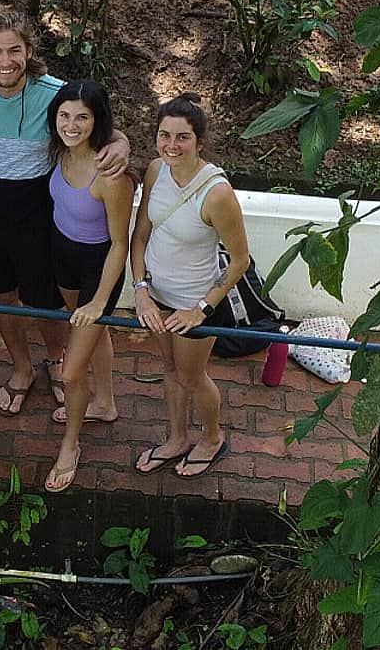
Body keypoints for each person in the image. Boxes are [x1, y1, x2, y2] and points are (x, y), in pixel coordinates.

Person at [0, 8, 130, 416]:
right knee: (2, 294)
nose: (5, 61)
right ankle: (20, 368)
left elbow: (95, 121)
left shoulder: (53, 91)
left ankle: (55, 361)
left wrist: (121, 143)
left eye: (14, 50)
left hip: (39, 204)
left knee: (45, 297)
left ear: (29, 50)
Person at [130, 94, 250, 478]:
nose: (172, 145)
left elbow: (240, 261)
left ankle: (212, 438)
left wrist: (201, 308)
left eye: (182, 137)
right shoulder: (154, 171)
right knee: (169, 367)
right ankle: (177, 437)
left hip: (193, 303)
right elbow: (141, 235)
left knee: (191, 376)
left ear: (199, 141)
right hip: (158, 296)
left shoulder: (216, 193)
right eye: (164, 135)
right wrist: (140, 289)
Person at [42, 81, 133, 493]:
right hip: (63, 257)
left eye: (82, 116)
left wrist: (100, 300)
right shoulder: (58, 150)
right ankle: (105, 404)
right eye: (64, 115)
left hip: (99, 268)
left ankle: (70, 445)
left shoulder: (110, 173)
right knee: (93, 338)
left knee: (70, 370)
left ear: (97, 120)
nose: (71, 124)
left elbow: (120, 244)